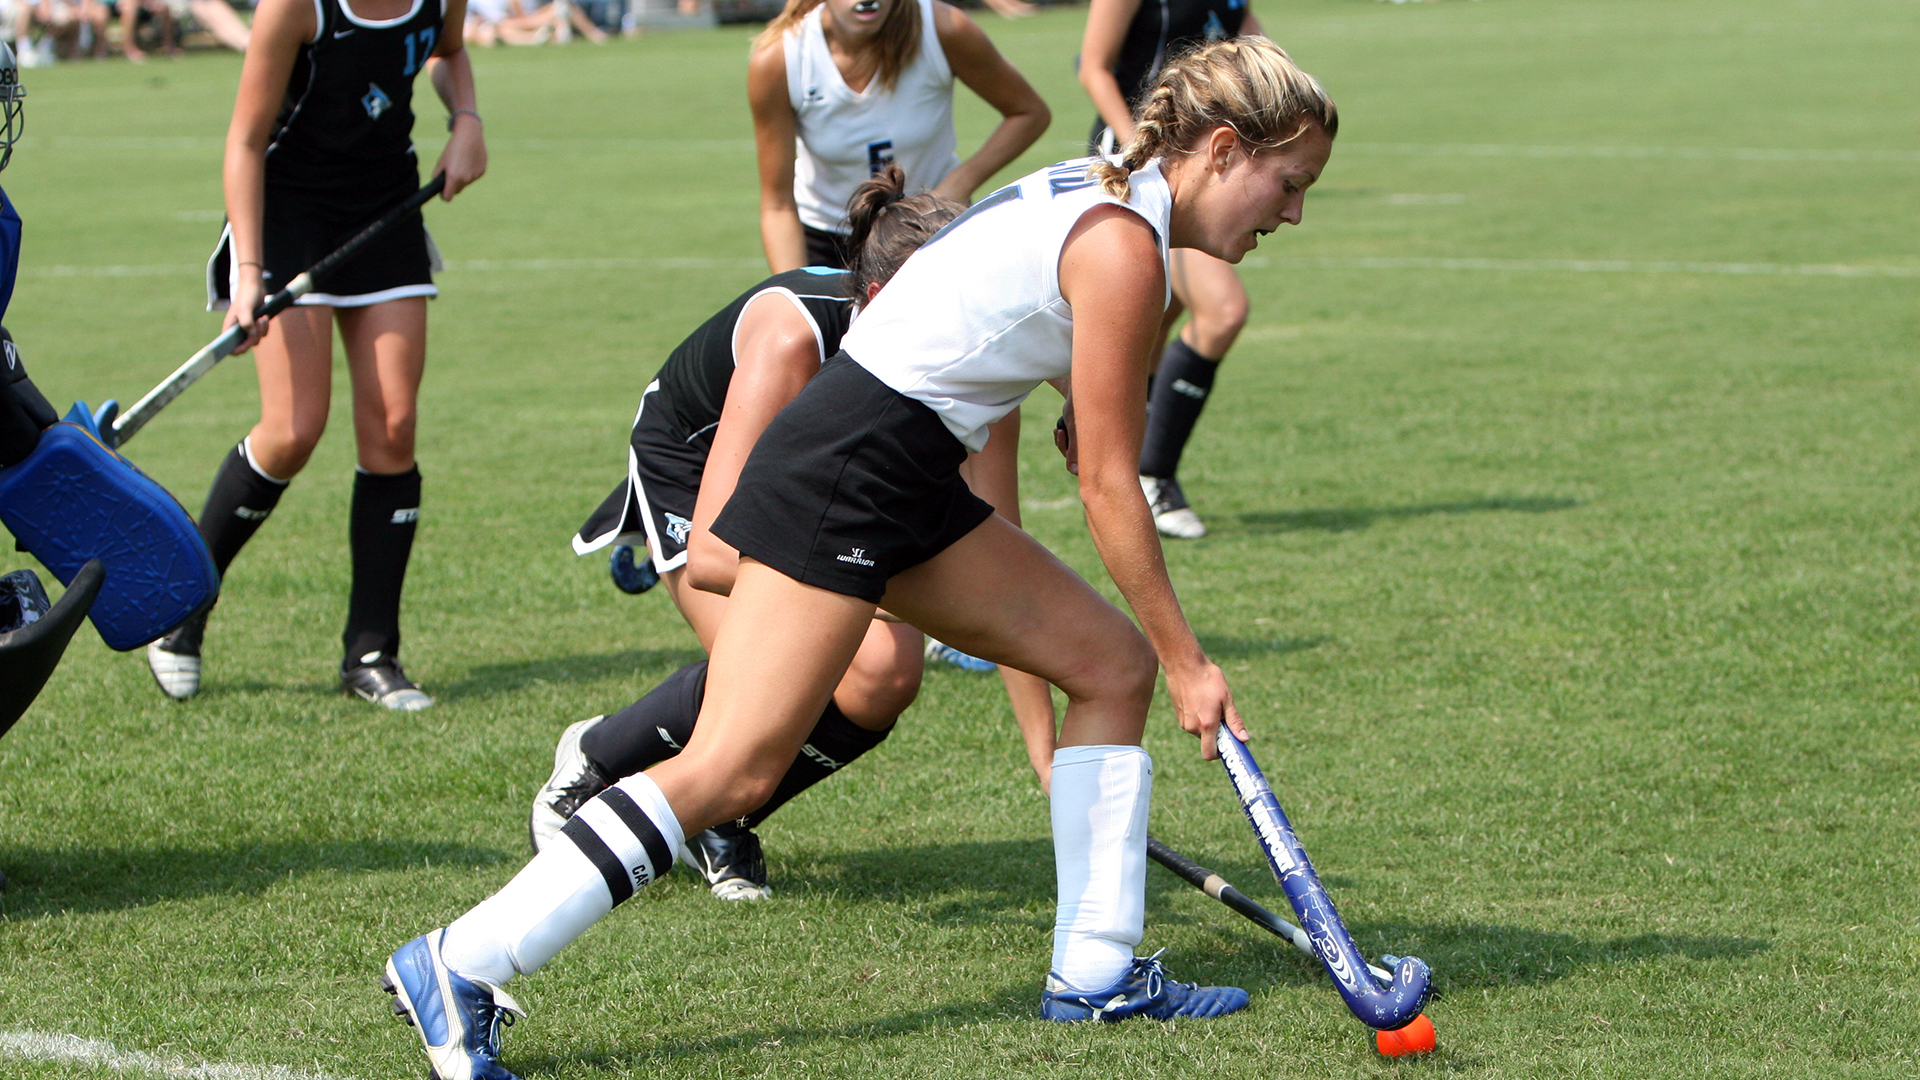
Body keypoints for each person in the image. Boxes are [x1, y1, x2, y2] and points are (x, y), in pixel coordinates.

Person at [382, 38, 1336, 1077]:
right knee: (731, 766)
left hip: (906, 468)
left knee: (1110, 666)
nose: (1291, 214)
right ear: (1227, 148)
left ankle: (1095, 972)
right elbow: (1109, 485)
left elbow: (1026, 352)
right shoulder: (1123, 244)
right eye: (1289, 186)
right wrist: (1194, 658)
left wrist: (1090, 416)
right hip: (851, 467)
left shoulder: (1116, 204)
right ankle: (459, 962)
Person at [551, 166, 1058, 901]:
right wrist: (867, 592)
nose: (966, 325)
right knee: (776, 667)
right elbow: (719, 557)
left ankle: (725, 813)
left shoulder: (975, 358)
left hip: (819, 478)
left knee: (884, 674)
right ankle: (597, 755)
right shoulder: (793, 334)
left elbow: (1008, 562)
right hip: (696, 469)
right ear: (880, 300)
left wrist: (1044, 750)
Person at [144, 0, 486, 708]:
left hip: (384, 206)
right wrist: (246, 276)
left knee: (393, 427)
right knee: (294, 429)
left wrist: (467, 122)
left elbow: (447, 54)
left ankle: (371, 653)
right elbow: (244, 141)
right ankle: (182, 608)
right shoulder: (295, 6)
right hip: (289, 214)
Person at [1079, 0, 1264, 539]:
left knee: (1163, 314)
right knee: (1223, 310)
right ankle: (1151, 475)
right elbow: (1094, 66)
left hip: (1201, 174)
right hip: (1142, 175)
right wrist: (1143, 150)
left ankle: (1133, 466)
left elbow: (1259, 52)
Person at [749, 0, 1048, 273]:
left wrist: (956, 185)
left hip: (931, 230)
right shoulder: (781, 58)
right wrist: (797, 289)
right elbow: (778, 205)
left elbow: (1029, 113)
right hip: (828, 241)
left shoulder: (943, 29)